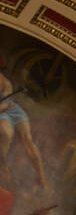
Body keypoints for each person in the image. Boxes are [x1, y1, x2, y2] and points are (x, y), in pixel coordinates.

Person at [0, 57, 47, 189]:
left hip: (12, 109)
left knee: (27, 139)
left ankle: (42, 178)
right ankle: (3, 168)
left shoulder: (5, 82)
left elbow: (5, 103)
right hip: (2, 114)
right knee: (6, 134)